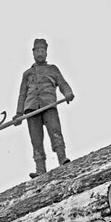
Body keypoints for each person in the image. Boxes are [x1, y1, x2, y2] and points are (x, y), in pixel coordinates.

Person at [13, 37, 75, 178]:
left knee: (55, 131)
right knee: (36, 140)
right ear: (33, 53)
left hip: (49, 105)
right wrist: (18, 114)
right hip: (31, 110)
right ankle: (40, 169)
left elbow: (63, 83)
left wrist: (68, 93)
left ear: (46, 53)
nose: (40, 53)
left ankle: (62, 159)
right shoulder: (27, 74)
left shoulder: (53, 69)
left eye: (43, 51)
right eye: (37, 51)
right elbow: (22, 95)